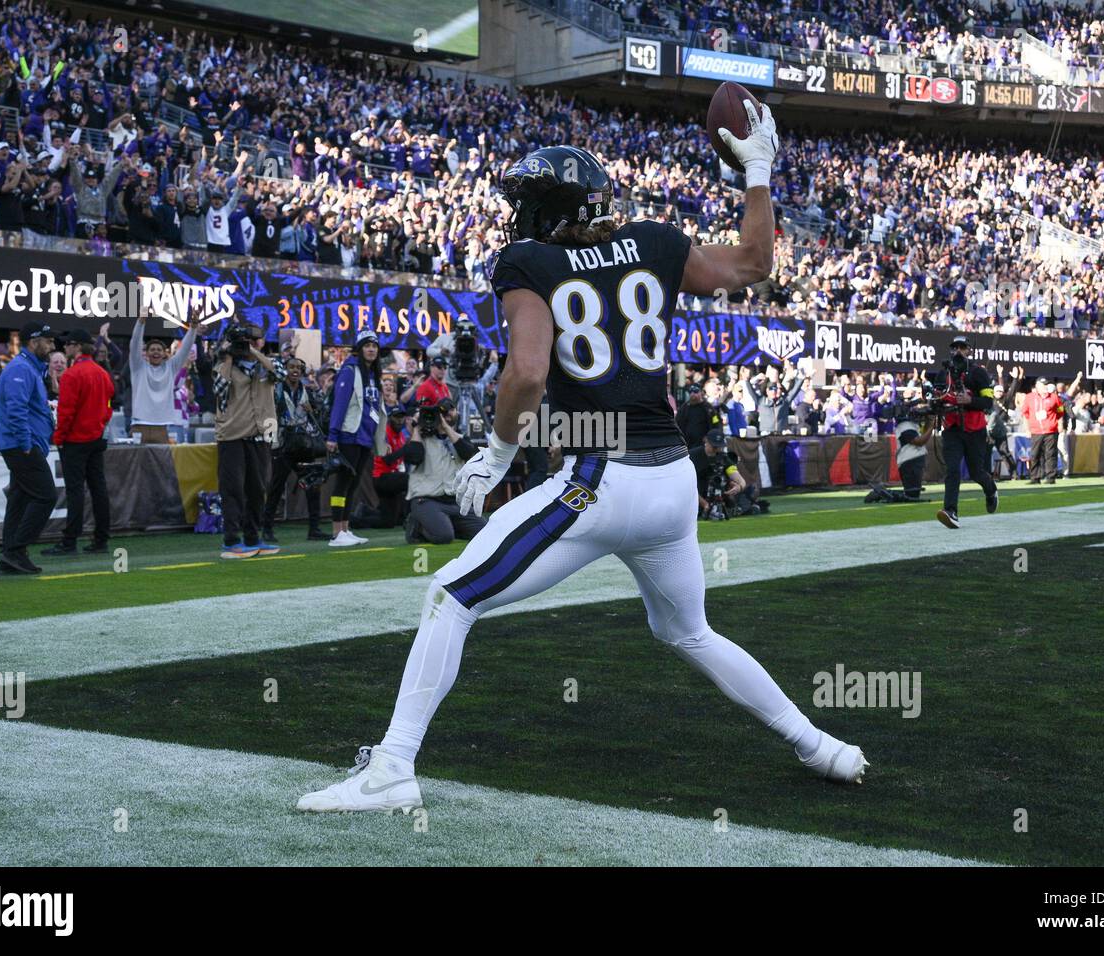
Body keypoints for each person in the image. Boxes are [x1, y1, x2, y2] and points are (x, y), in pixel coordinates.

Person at [299, 114, 868, 814]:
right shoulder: (655, 242)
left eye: (524, 203)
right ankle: (819, 745)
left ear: (547, 206)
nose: (516, 217)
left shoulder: (529, 263)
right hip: (672, 480)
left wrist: (499, 451)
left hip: (601, 481)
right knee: (688, 630)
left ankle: (392, 769)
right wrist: (757, 172)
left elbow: (529, 374)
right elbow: (754, 263)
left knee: (451, 595)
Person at [213, 324, 285, 558]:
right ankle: (231, 540)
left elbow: (281, 374)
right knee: (232, 489)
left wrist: (252, 352)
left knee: (257, 489)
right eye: (245, 342)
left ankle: (254, 537)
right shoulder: (224, 366)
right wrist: (228, 356)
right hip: (232, 436)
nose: (250, 345)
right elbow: (219, 390)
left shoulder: (266, 365)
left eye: (254, 341)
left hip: (260, 435)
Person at [43, 329, 114, 556]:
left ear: (77, 347)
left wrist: (59, 438)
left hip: (75, 440)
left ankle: (70, 541)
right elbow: (109, 406)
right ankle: (101, 539)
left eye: (68, 345)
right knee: (98, 488)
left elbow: (66, 412)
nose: (65, 348)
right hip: (95, 437)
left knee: (75, 491)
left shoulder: (73, 375)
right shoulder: (102, 373)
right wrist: (99, 425)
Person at [0, 322, 58, 575]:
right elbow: (16, 409)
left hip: (24, 443)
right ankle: (15, 551)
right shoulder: (21, 369)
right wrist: (25, 444)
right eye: (49, 341)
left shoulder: (29, 368)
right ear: (34, 342)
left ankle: (10, 557)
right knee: (46, 496)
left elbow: (24, 409)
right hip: (23, 445)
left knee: (19, 500)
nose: (53, 346)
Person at [932, 335, 998, 529]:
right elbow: (936, 397)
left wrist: (970, 401)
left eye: (962, 347)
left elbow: (988, 403)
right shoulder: (943, 373)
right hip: (952, 428)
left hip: (974, 430)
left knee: (977, 472)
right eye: (955, 348)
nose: (958, 351)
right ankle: (950, 511)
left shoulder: (979, 373)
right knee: (952, 469)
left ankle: (991, 489)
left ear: (969, 350)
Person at [401, 398, 487, 544]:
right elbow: (413, 458)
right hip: (427, 500)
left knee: (484, 532)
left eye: (450, 411)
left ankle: (444, 524)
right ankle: (416, 525)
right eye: (441, 414)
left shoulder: (460, 438)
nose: (445, 416)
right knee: (444, 537)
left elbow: (467, 453)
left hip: (455, 502)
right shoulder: (420, 439)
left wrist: (446, 428)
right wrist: (416, 427)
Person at [326, 329, 382, 547]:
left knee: (353, 485)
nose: (371, 350)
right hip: (349, 435)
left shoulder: (372, 374)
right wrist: (333, 434)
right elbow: (340, 404)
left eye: (374, 346)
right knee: (342, 484)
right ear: (359, 349)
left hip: (364, 437)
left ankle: (346, 529)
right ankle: (336, 532)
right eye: (367, 346)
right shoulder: (350, 370)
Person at [262, 356, 326, 542]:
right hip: (283, 444)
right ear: (286, 369)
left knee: (312, 484)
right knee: (276, 487)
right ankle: (266, 528)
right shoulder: (276, 389)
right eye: (291, 367)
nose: (295, 370)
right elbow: (267, 412)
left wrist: (312, 409)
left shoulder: (307, 390)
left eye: (298, 367)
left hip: (303, 443)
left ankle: (314, 528)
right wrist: (271, 442)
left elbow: (321, 410)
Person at [129, 314, 199, 444]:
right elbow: (134, 344)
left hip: (163, 427)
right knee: (138, 464)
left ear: (164, 353)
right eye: (152, 350)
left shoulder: (171, 367)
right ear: (146, 353)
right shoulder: (138, 366)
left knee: (161, 464)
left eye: (159, 350)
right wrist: (141, 322)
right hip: (139, 425)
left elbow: (185, 349)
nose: (156, 352)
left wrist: (193, 327)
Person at [1022, 376, 1061, 484]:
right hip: (1036, 431)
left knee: (1050, 454)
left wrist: (1058, 423)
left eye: (1046, 385)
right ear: (1037, 386)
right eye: (1043, 385)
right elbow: (1025, 414)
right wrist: (1027, 429)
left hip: (1051, 431)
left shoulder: (1054, 397)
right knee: (1035, 454)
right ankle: (1035, 477)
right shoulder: (1029, 397)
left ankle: (1050, 477)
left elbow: (1060, 410)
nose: (1045, 387)